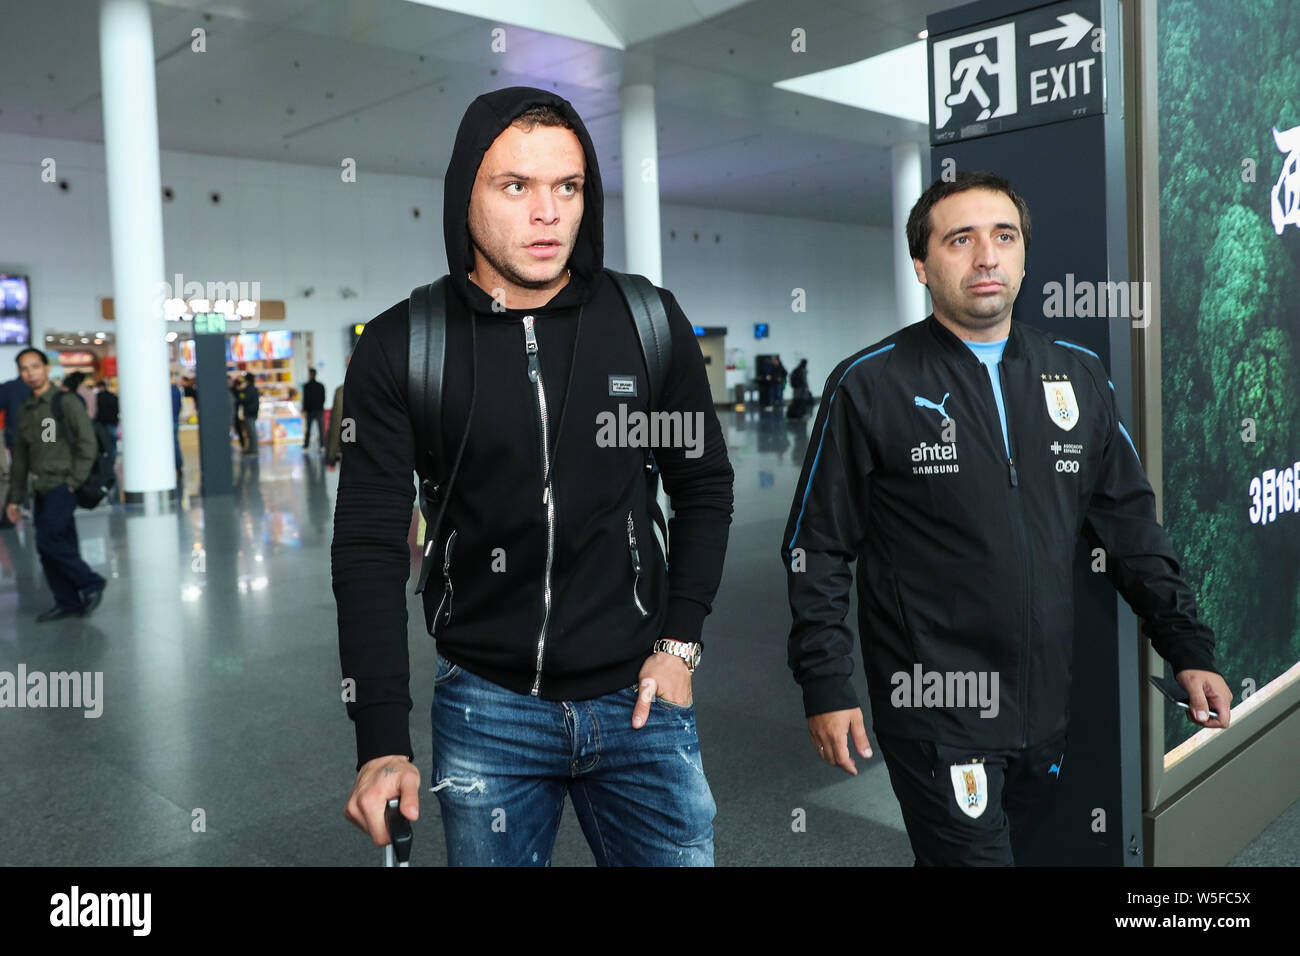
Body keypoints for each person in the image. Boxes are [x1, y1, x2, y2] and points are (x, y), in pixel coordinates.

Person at [781, 170, 1232, 866]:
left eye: (1004, 237)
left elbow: (1131, 531)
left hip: (1044, 708)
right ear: (923, 266)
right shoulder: (869, 383)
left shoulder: (1077, 376)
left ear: (1024, 257)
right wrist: (827, 683)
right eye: (960, 239)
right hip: (935, 711)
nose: (986, 256)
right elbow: (817, 548)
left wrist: (1190, 647)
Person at [333, 87, 734, 866]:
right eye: (515, 186)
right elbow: (370, 549)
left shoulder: (646, 322)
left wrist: (680, 643)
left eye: (568, 187)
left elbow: (703, 485)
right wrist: (381, 739)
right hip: (488, 706)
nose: (548, 213)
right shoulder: (403, 346)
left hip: (642, 700)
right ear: (466, 196)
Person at [4, 348, 108, 621]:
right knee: (60, 544)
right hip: (40, 488)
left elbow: (88, 443)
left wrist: (74, 481)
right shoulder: (26, 409)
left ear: (47, 369)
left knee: (47, 542)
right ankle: (68, 602)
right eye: (25, 369)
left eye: (35, 366)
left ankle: (91, 582)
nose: (31, 373)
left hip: (63, 485)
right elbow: (22, 459)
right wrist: (14, 499)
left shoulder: (65, 402)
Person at [301, 368, 326, 452]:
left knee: (308, 429)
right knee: (321, 429)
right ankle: (322, 446)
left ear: (311, 374)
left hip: (310, 411)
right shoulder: (321, 386)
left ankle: (306, 446)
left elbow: (305, 399)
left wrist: (304, 410)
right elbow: (323, 398)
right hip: (319, 410)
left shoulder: (306, 386)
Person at [239, 372, 259, 457]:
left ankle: (253, 449)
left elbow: (245, 399)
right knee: (250, 431)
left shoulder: (250, 389)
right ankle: (252, 448)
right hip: (252, 412)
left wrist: (241, 396)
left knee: (251, 431)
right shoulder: (252, 388)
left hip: (250, 412)